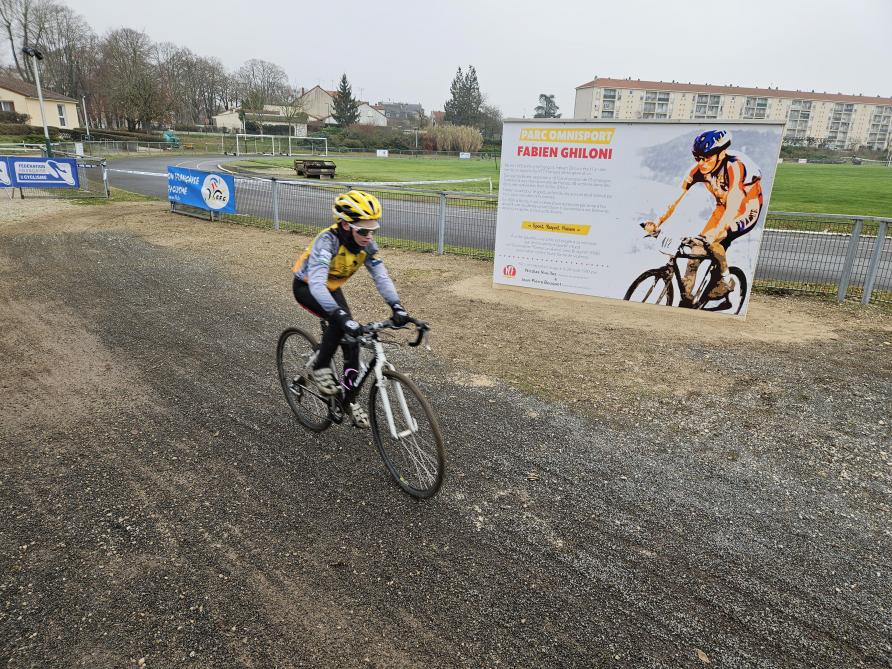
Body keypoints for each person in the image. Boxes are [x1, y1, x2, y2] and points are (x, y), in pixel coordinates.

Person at [291, 190, 410, 428]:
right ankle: (320, 366)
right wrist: (339, 316)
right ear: (345, 225)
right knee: (340, 321)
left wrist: (397, 306)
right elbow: (316, 283)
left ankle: (348, 398)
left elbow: (380, 275)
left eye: (373, 230)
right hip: (308, 288)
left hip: (332, 288)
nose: (369, 236)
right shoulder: (327, 242)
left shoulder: (366, 245)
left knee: (353, 342)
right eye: (363, 231)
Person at [643, 130, 763, 303]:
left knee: (715, 241)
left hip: (746, 207)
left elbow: (735, 202)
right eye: (697, 158)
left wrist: (717, 232)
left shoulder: (734, 166)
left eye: (706, 158)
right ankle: (686, 300)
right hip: (722, 207)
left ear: (721, 154)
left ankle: (726, 280)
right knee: (695, 253)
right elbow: (674, 199)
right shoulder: (696, 171)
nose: (701, 163)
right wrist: (657, 221)